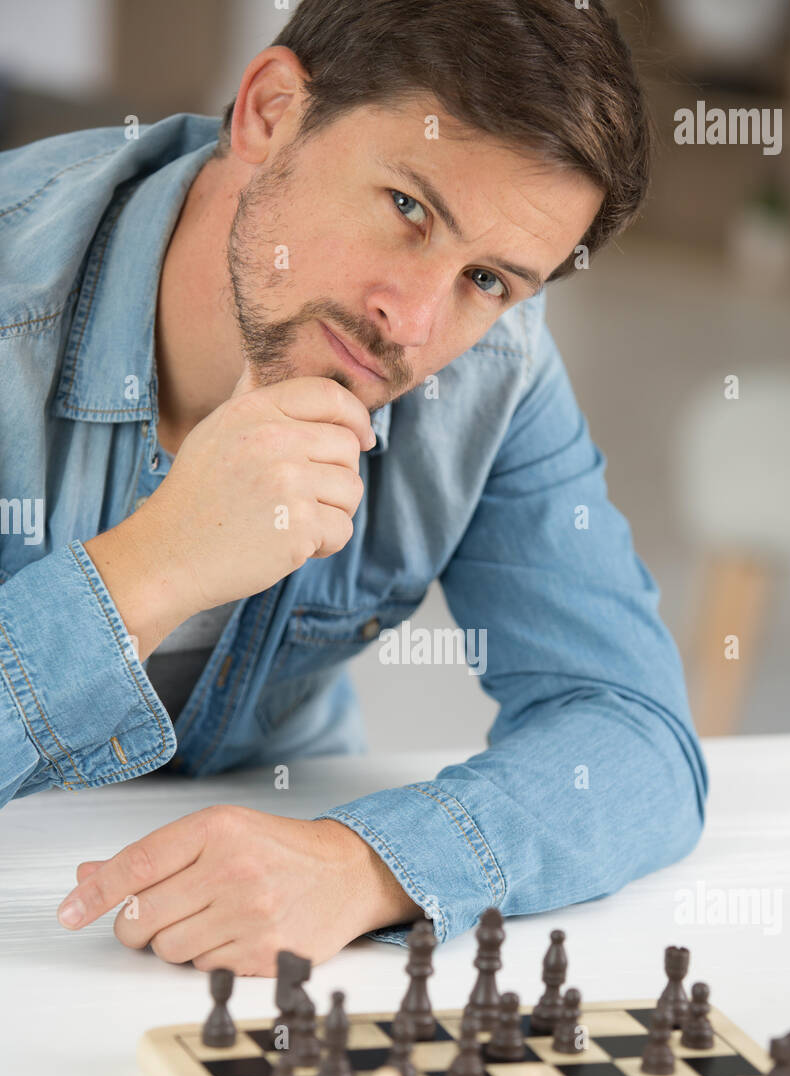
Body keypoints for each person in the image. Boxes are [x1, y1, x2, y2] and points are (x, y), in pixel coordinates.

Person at [0, 0, 707, 971]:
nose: (410, 325)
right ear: (269, 112)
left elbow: (631, 733)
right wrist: (151, 568)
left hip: (252, 941)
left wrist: (359, 865)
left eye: (490, 279)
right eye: (408, 209)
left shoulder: (486, 372)